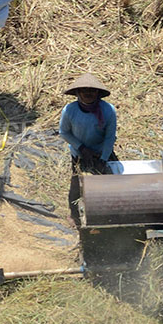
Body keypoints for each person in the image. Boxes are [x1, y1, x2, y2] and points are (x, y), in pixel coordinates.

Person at [60, 74, 118, 225]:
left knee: (113, 182)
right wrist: (82, 149)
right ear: (78, 93)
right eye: (84, 90)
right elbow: (64, 132)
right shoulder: (69, 110)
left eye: (92, 90)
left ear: (98, 93)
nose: (88, 93)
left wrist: (103, 159)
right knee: (76, 184)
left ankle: (111, 213)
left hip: (102, 150)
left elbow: (110, 137)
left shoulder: (108, 111)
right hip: (79, 152)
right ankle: (74, 215)